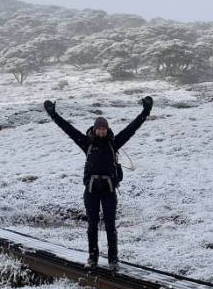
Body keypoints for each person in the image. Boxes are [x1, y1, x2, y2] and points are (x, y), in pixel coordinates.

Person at [44, 96, 154, 270]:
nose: (101, 131)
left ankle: (113, 260)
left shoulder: (114, 143)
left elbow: (131, 129)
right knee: (92, 226)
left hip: (109, 191)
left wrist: (145, 112)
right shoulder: (86, 143)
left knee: (110, 226)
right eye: (99, 129)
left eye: (104, 129)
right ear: (95, 130)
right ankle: (92, 258)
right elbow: (68, 129)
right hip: (91, 191)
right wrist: (53, 114)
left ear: (107, 129)